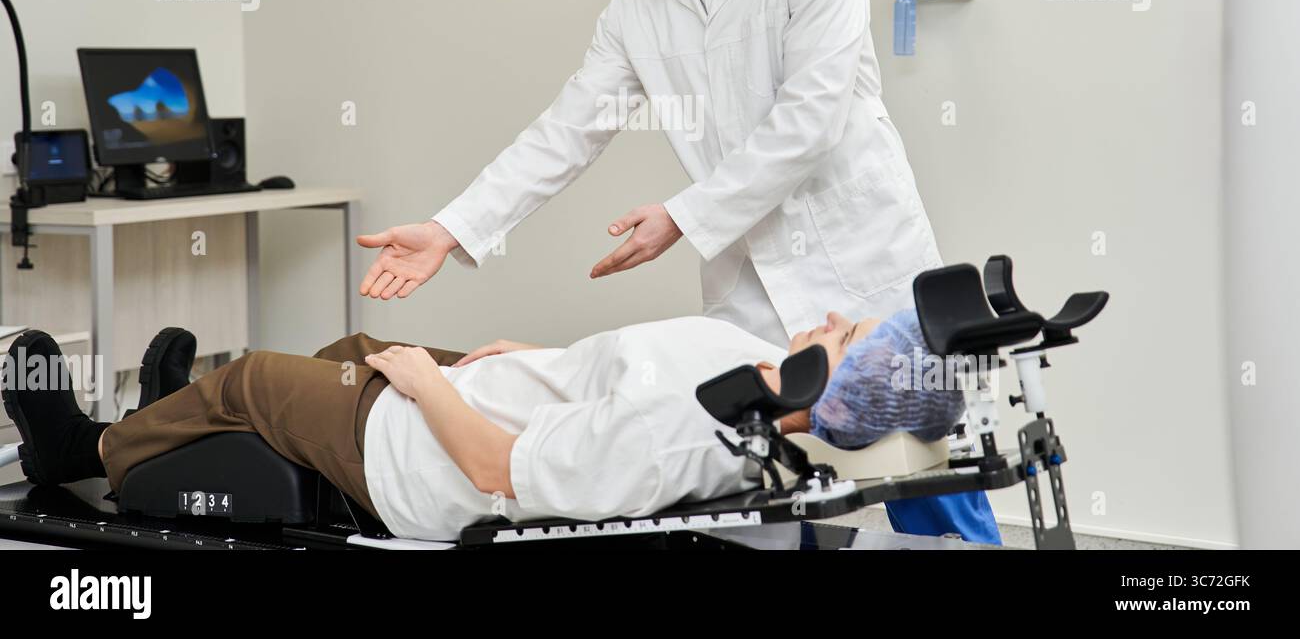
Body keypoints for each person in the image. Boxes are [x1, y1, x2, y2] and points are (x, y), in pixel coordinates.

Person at [355, 0, 990, 539]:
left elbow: (809, 124)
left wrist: (681, 218)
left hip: (858, 268)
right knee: (755, 485)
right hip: (750, 289)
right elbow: (566, 130)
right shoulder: (636, 4)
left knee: (923, 462)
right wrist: (450, 227)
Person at [1, 309, 997, 544]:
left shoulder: (692, 429)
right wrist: (527, 360)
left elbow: (498, 468)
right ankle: (163, 417)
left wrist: (419, 387)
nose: (825, 313)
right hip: (486, 397)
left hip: (421, 459)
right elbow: (604, 385)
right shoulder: (744, 373)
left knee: (260, 376)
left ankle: (82, 444)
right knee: (360, 336)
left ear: (836, 374)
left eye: (845, 326)